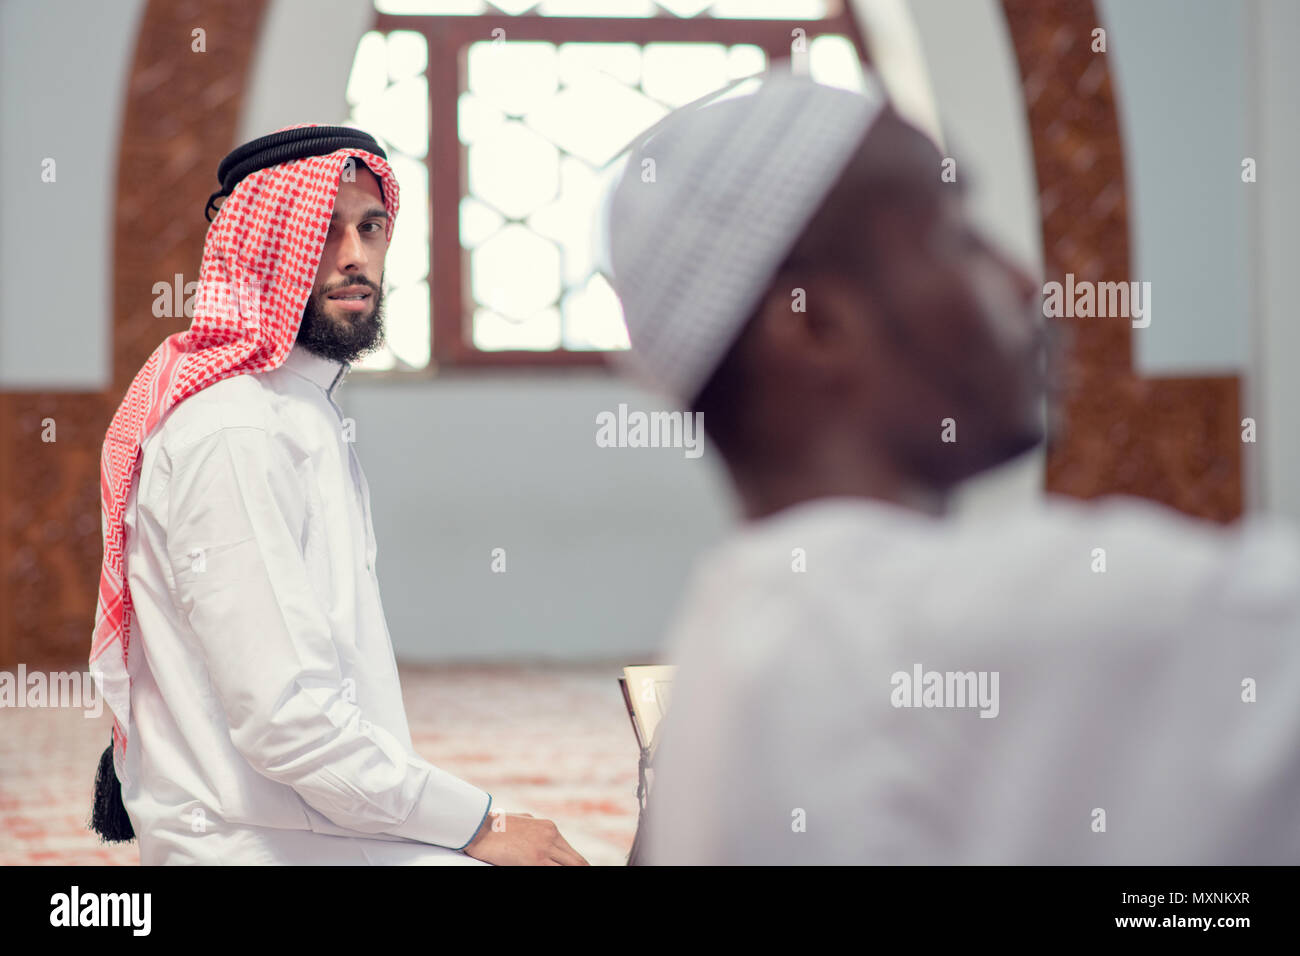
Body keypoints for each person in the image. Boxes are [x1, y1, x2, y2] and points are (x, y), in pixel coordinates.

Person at [602, 71, 1300, 864]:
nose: (1025, 284)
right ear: (816, 328)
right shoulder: (983, 621)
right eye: (957, 236)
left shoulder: (730, 634)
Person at [89, 125, 587, 866]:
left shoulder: (297, 407)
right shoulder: (237, 430)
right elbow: (287, 720)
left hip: (318, 828)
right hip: (261, 847)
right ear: (258, 247)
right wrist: (481, 823)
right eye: (319, 231)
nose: (356, 257)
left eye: (371, 227)